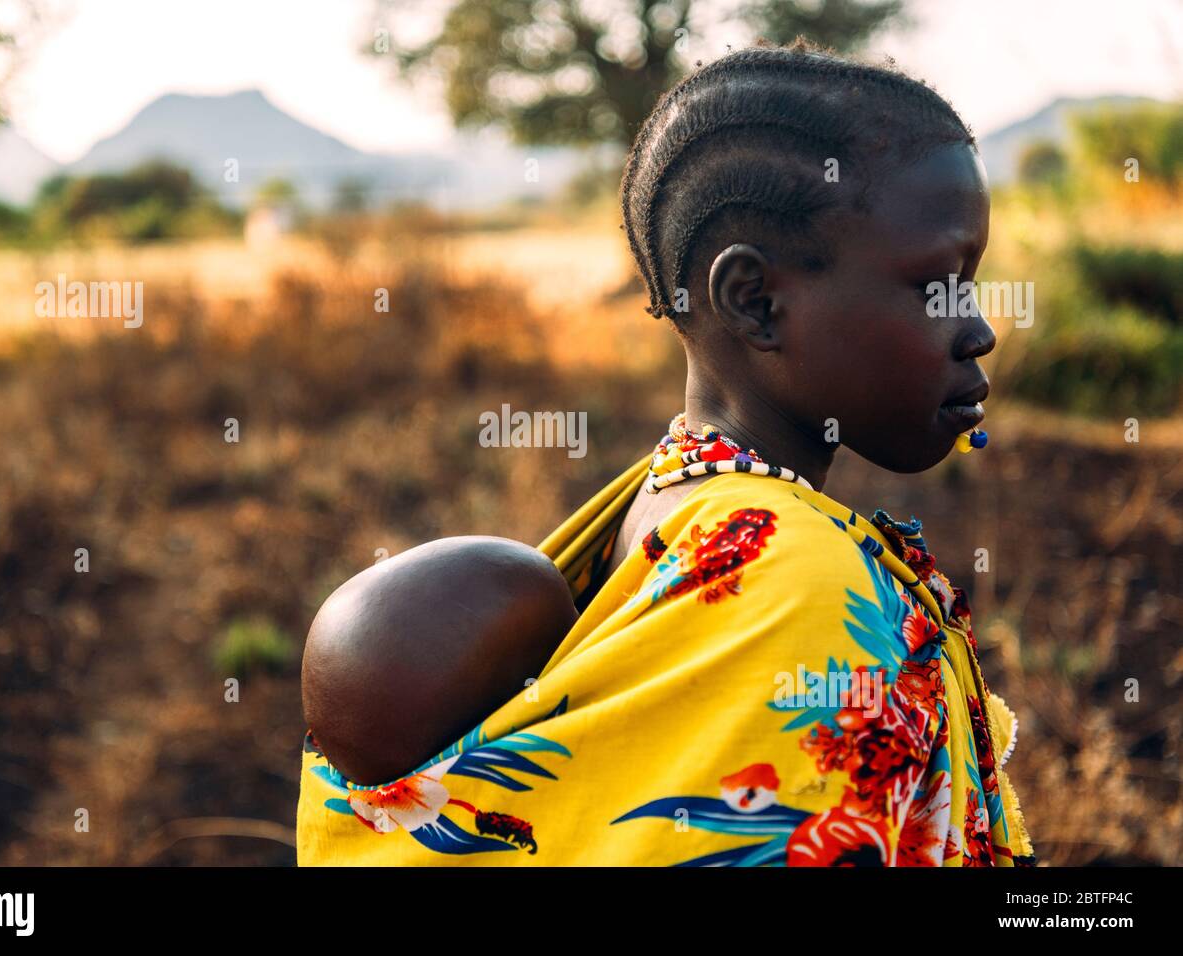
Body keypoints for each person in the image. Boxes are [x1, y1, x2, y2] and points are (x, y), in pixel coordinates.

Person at [297, 40, 1036, 866]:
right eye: (937, 285)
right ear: (754, 302)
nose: (979, 327)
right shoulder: (802, 585)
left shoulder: (656, 509)